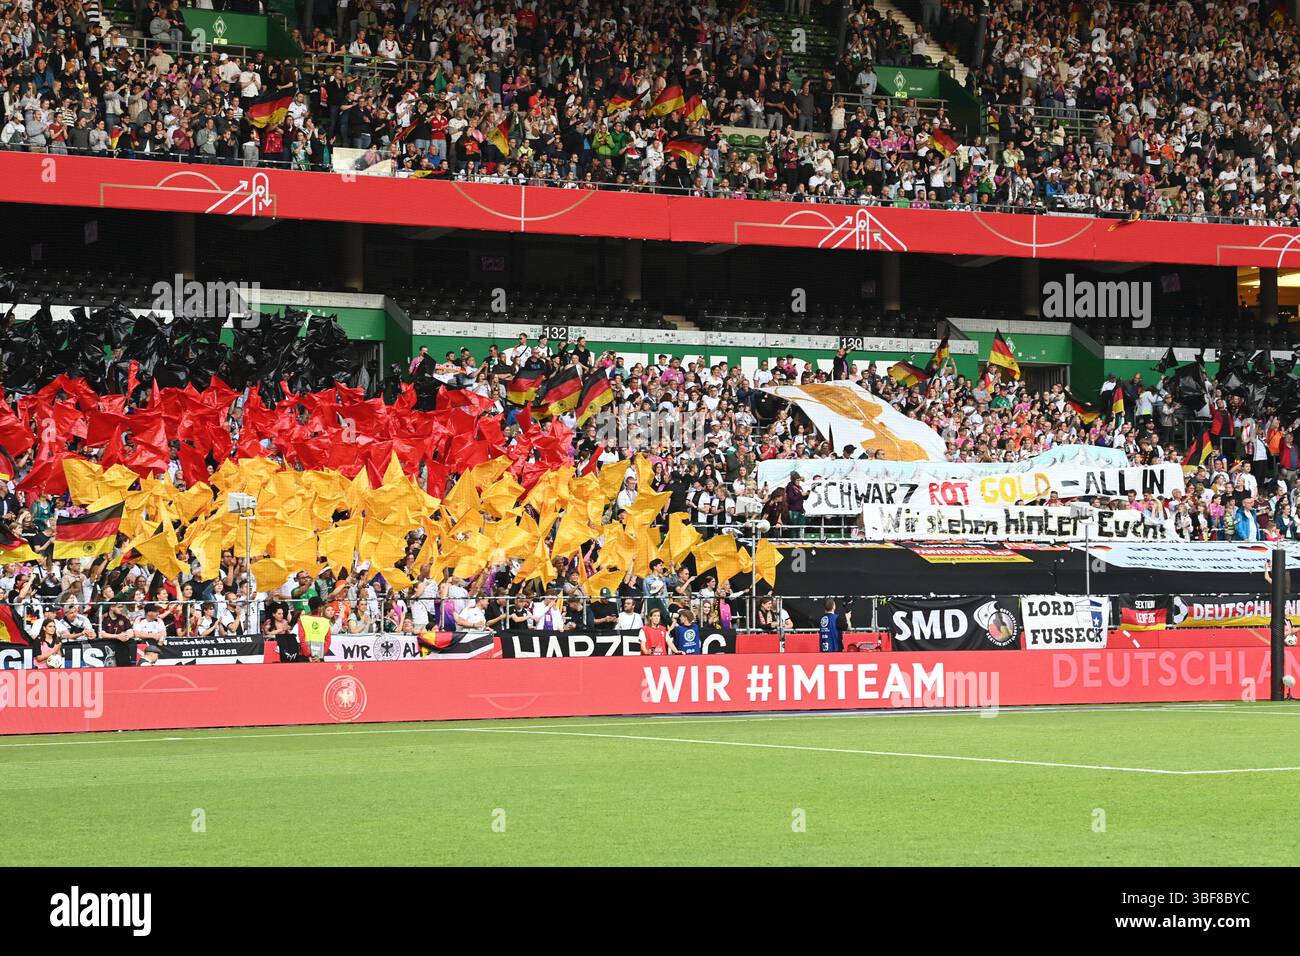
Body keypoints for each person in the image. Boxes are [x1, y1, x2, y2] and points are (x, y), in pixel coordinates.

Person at [296, 596, 333, 662]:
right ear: (319, 608)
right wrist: (319, 656)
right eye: (322, 607)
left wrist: (308, 655)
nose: (323, 608)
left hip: (305, 657)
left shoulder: (303, 619)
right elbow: (328, 641)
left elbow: (301, 639)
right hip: (319, 658)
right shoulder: (325, 621)